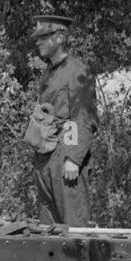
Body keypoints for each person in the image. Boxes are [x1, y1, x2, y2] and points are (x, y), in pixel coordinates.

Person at [24, 13, 97, 226]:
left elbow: (83, 118)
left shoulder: (76, 70)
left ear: (60, 38)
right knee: (48, 226)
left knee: (74, 224)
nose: (37, 41)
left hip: (65, 155)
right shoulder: (48, 73)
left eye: (43, 36)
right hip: (45, 156)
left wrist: (73, 158)